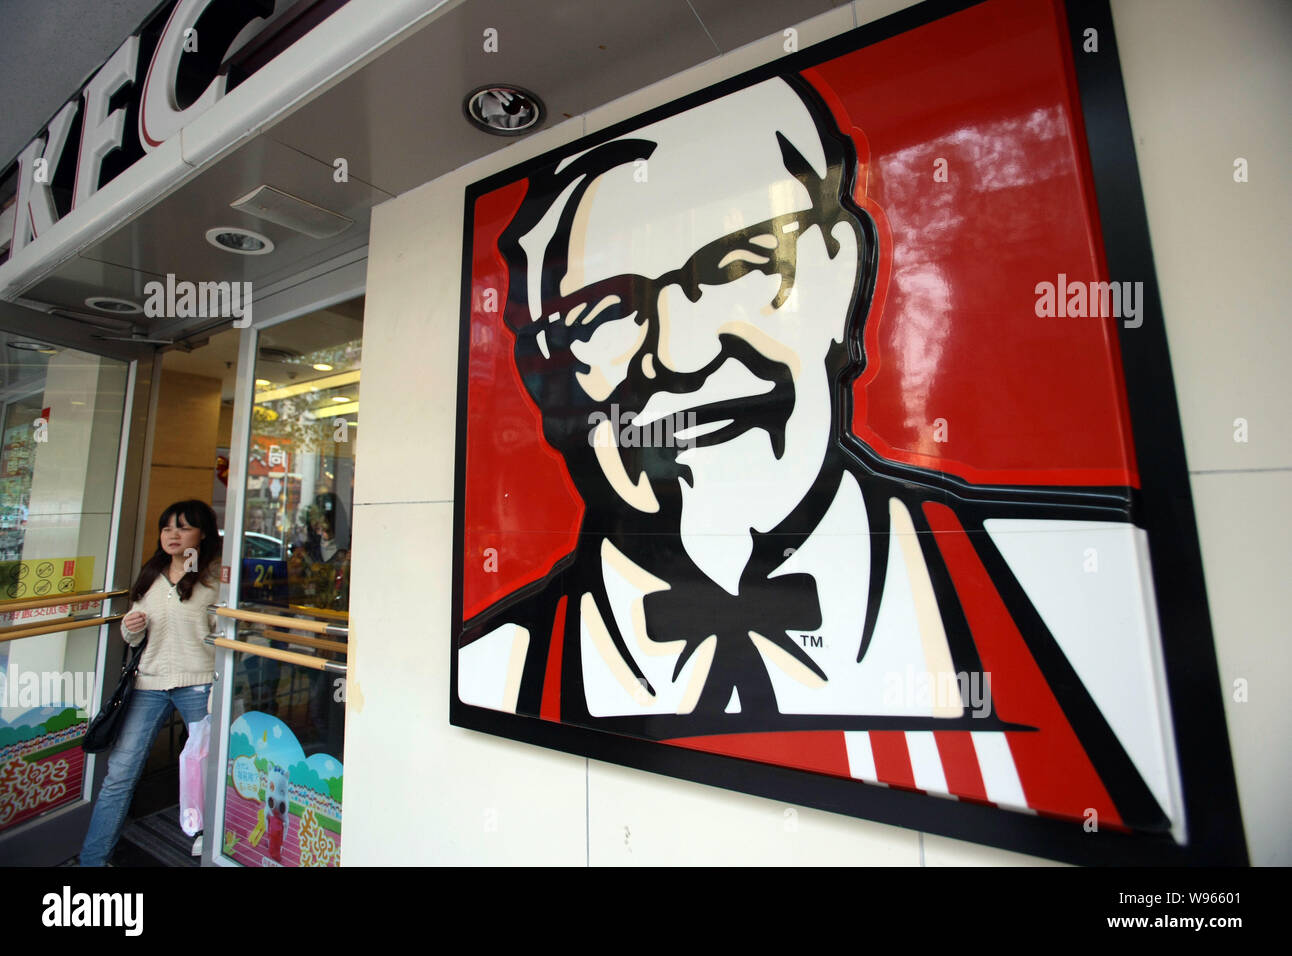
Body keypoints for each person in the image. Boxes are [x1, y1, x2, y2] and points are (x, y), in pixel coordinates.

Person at [458, 76, 1179, 834]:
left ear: (843, 275)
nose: (682, 349)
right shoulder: (486, 675)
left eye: (739, 266)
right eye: (607, 312)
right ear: (548, 379)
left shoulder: (1083, 606)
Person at [78, 499, 221, 866]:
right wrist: (130, 630)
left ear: (203, 534)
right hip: (149, 684)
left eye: (183, 527)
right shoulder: (150, 575)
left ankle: (211, 842)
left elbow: (227, 635)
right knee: (119, 775)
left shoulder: (213, 577)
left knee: (211, 769)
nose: (173, 535)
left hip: (199, 684)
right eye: (167, 527)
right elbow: (135, 637)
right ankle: (93, 860)